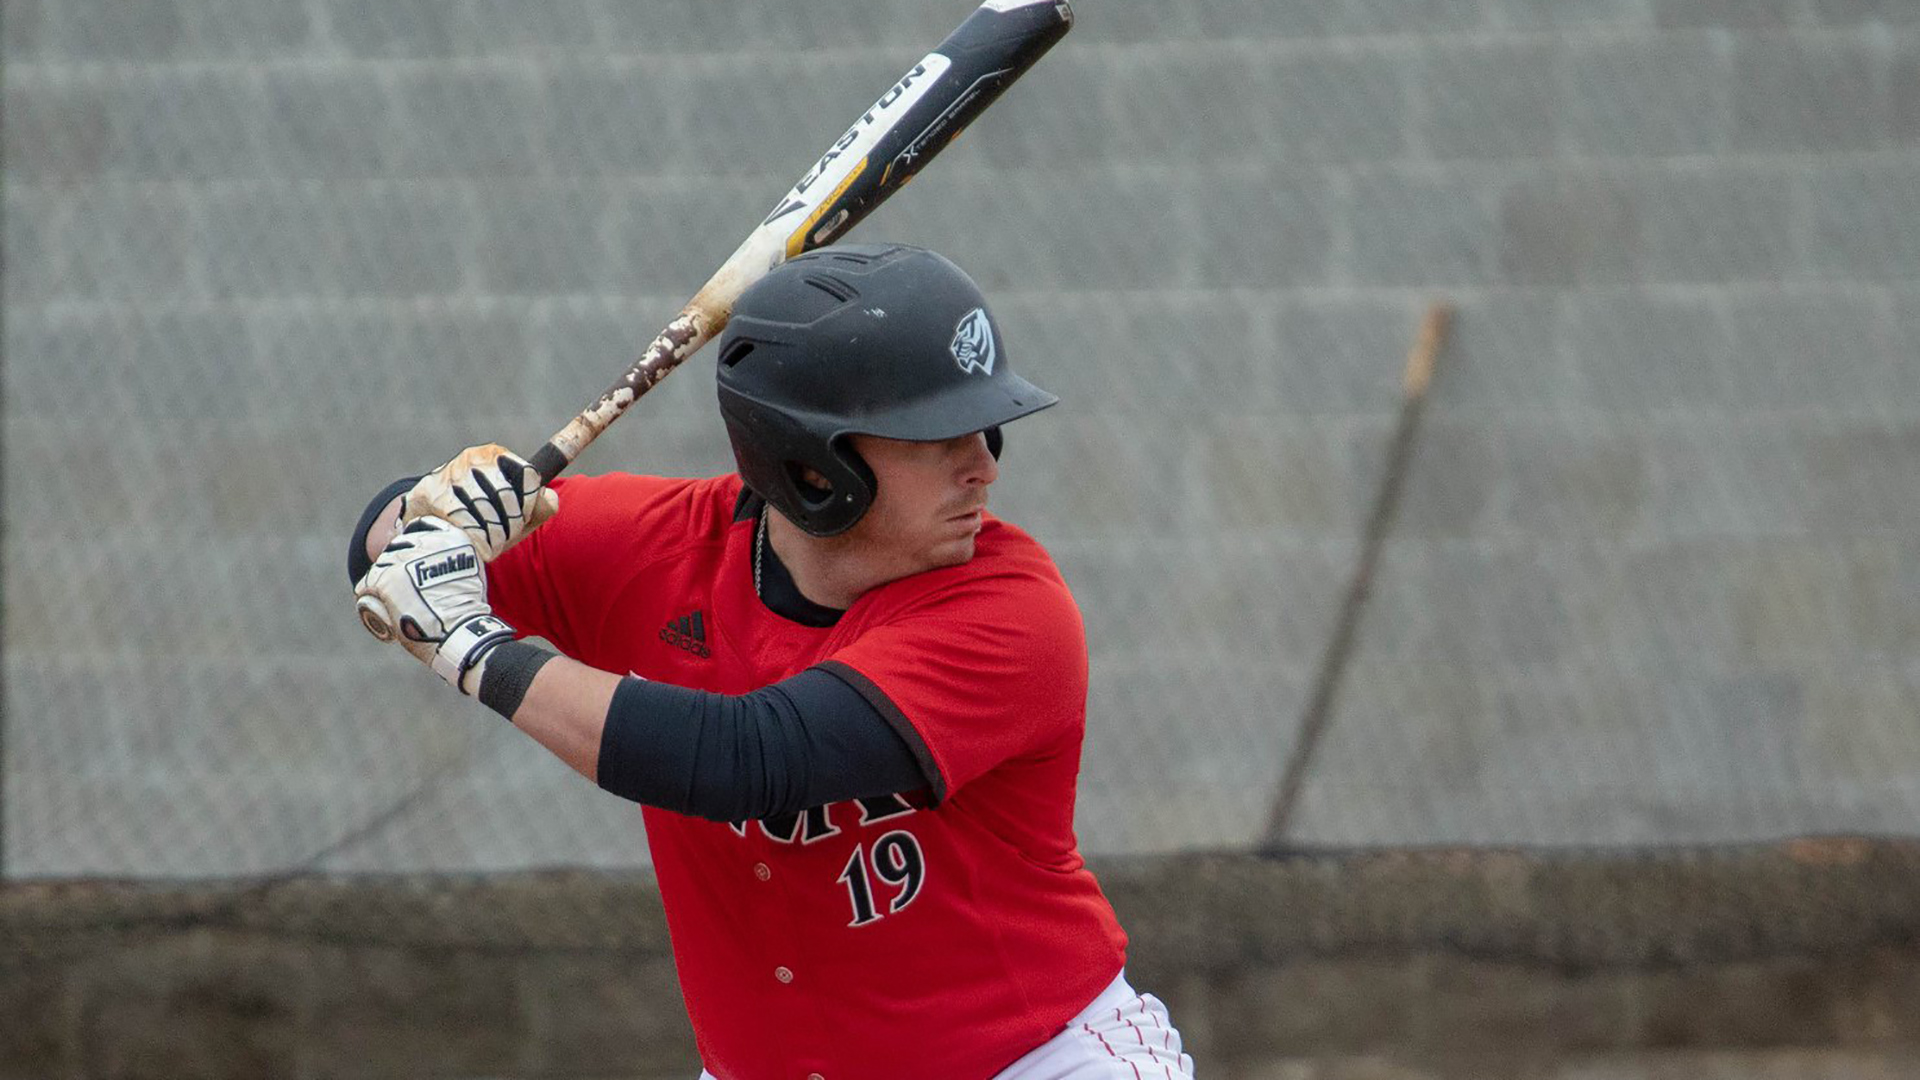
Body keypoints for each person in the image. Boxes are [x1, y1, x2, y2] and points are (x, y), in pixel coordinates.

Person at [349, 243, 1195, 1080]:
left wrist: (475, 652)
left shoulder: (1011, 608)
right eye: (937, 436)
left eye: (984, 429)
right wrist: (434, 516)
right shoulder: (660, 549)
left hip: (1036, 1059)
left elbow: (754, 758)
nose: (982, 468)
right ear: (813, 463)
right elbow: (377, 551)